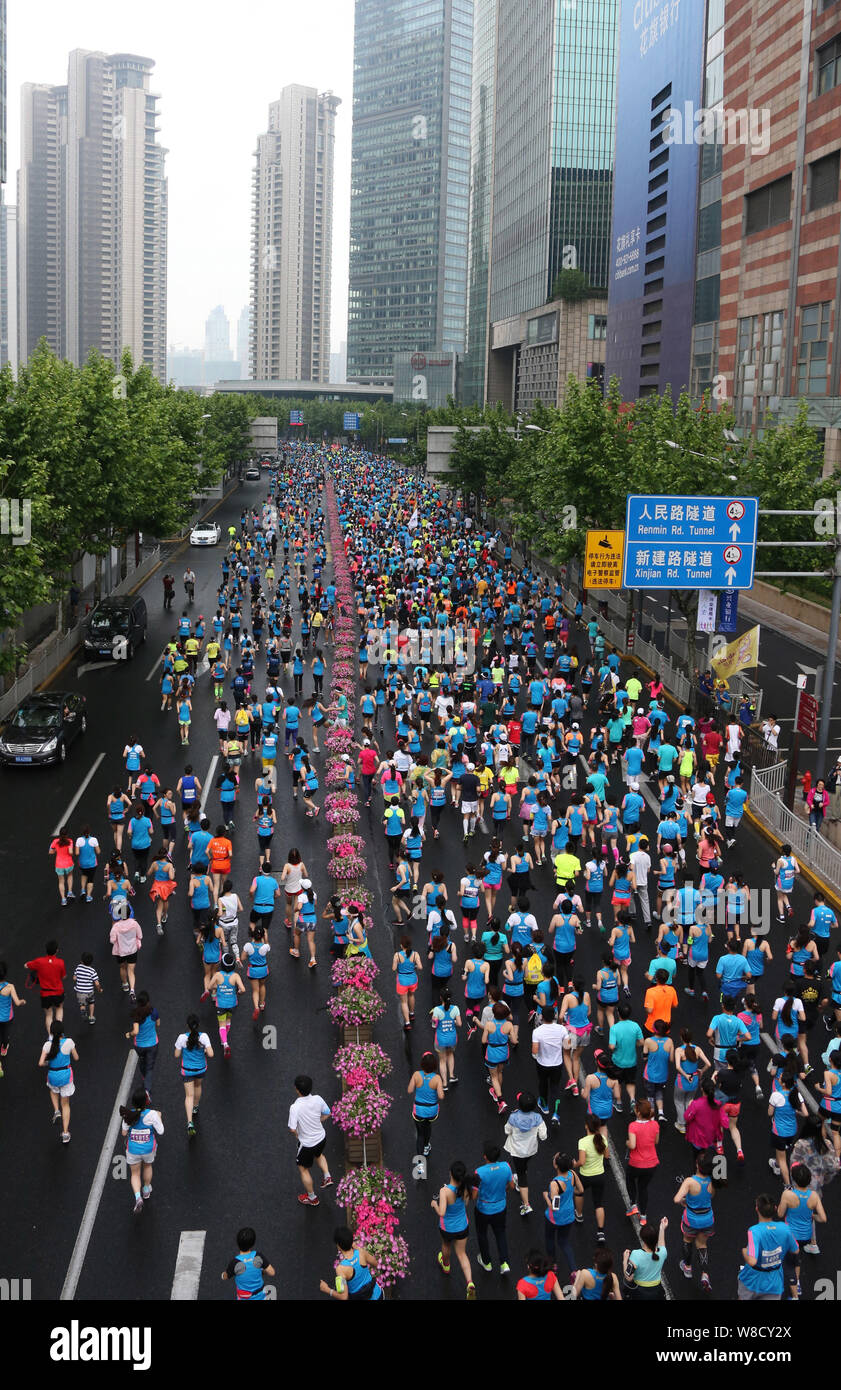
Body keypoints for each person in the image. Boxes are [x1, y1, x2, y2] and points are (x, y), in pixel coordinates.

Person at [778, 1163, 827, 1299]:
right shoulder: (814, 1195)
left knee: (788, 1264)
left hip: (790, 1237)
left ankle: (794, 1295)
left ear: (794, 1179)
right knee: (797, 1259)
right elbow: (823, 1218)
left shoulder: (787, 1195)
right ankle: (797, 1282)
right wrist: (813, 1216)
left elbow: (780, 1214)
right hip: (805, 1236)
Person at [737, 1194, 798, 1301]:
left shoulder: (754, 1231)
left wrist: (744, 1252)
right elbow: (796, 1249)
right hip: (774, 1282)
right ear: (775, 1208)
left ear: (757, 1209)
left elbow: (752, 1261)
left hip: (751, 1280)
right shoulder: (785, 1228)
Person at [431, 1161, 476, 1299]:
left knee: (446, 1246)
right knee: (462, 1254)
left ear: (451, 1173)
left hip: (447, 1228)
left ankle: (446, 1265)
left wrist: (435, 1205)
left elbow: (442, 1212)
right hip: (462, 1226)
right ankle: (470, 1283)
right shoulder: (467, 1187)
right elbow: (469, 1200)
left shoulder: (444, 1191)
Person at [289, 1074, 333, 1206]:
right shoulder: (318, 1099)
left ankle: (312, 1197)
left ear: (296, 1089)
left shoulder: (295, 1107)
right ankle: (327, 1176)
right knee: (319, 1155)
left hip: (307, 1144)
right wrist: (318, 1121)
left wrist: (297, 1135)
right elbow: (328, 1112)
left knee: (303, 1169)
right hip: (321, 1138)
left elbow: (292, 1128)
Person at [674, 1151, 716, 1291]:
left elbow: (677, 1199)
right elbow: (711, 1196)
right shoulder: (713, 1181)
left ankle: (687, 1267)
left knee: (687, 1241)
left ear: (697, 1165)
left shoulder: (690, 1181)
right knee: (702, 1245)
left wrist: (685, 1203)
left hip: (691, 1218)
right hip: (707, 1219)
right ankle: (705, 1274)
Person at [119, 1087, 164, 1215]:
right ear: (146, 1101)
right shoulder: (152, 1114)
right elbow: (161, 1131)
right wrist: (159, 1117)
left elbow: (123, 1133)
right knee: (148, 1166)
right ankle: (146, 1189)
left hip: (133, 1149)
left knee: (134, 1174)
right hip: (148, 1148)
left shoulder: (128, 1114)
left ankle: (138, 1197)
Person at [473, 1143, 516, 1275]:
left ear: (485, 1156)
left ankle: (486, 1262)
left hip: (483, 1209)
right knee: (500, 1234)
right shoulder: (506, 1167)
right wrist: (503, 1190)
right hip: (501, 1207)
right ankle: (504, 1263)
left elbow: (474, 1195)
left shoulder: (479, 1172)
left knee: (482, 1234)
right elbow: (512, 1186)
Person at [503, 1091, 547, 1217]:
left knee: (522, 1175)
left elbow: (507, 1131)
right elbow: (543, 1136)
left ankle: (526, 1204)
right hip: (530, 1150)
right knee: (523, 1167)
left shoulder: (514, 1117)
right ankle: (519, 1175)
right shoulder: (538, 1118)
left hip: (517, 1151)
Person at [319, 1225, 384, 1302]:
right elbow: (376, 1263)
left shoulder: (341, 1269)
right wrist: (357, 1247)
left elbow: (344, 1297)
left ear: (338, 1246)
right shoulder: (361, 1252)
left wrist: (327, 1290)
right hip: (378, 1295)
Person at [39, 1020, 78, 1143]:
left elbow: (41, 1063)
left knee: (53, 1090)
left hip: (53, 1075)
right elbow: (76, 1058)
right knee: (65, 1104)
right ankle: (65, 1133)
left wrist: (48, 1062)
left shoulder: (47, 1045)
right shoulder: (69, 1042)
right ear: (62, 1031)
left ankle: (56, 1110)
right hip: (66, 1076)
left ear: (51, 1032)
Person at [625, 1098, 660, 1223]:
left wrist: (627, 1142)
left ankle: (633, 1204)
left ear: (638, 1113)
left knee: (629, 1179)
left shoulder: (633, 1126)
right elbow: (656, 1141)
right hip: (651, 1164)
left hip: (636, 1163)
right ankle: (643, 1217)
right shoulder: (655, 1124)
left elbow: (633, 1145)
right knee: (643, 1188)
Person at [575, 1115, 608, 1242]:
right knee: (598, 1203)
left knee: (578, 1193)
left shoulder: (583, 1141)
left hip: (585, 1176)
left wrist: (574, 1164)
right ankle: (600, 1232)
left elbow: (582, 1162)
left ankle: (579, 1215)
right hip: (599, 1175)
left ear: (586, 1126)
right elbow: (607, 1155)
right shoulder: (603, 1139)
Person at [223, 1227, 276, 1301]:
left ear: (237, 1242)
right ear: (252, 1243)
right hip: (260, 1296)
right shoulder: (258, 1256)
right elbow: (272, 1272)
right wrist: (261, 1271)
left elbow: (226, 1276)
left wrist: (223, 1275)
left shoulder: (235, 1263)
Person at [25, 942, 66, 1034]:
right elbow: (63, 976)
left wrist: (29, 966)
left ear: (46, 950)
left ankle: (50, 1037)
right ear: (57, 951)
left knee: (48, 1015)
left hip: (45, 994)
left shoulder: (39, 961)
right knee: (59, 1009)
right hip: (58, 992)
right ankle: (59, 1034)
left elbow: (27, 965)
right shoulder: (60, 962)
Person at [408, 1051, 444, 1157]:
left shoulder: (416, 1075)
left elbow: (410, 1090)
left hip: (418, 1110)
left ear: (422, 1064)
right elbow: (441, 1096)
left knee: (420, 1134)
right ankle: (426, 1146)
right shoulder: (437, 1078)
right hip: (431, 1110)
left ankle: (420, 1161)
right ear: (434, 1065)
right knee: (428, 1127)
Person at [623, 1218, 668, 1301]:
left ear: (643, 1239)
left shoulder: (636, 1255)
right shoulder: (662, 1253)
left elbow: (628, 1277)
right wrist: (662, 1229)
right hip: (657, 1292)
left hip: (640, 1293)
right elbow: (662, 1245)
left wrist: (625, 1260)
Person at [73, 952, 102, 1027]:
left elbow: (74, 978)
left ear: (82, 961)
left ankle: (83, 1011)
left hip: (80, 991)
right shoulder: (92, 971)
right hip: (89, 991)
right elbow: (96, 983)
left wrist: (78, 979)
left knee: (82, 1004)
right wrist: (99, 989)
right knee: (91, 1003)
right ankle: (91, 1017)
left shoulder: (78, 967)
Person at [49, 827, 75, 905]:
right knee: (70, 876)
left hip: (59, 865)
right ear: (67, 835)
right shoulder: (70, 841)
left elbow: (51, 852)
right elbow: (70, 852)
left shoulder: (55, 841)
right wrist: (71, 853)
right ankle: (70, 892)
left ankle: (63, 899)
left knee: (61, 882)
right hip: (68, 863)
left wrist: (56, 850)